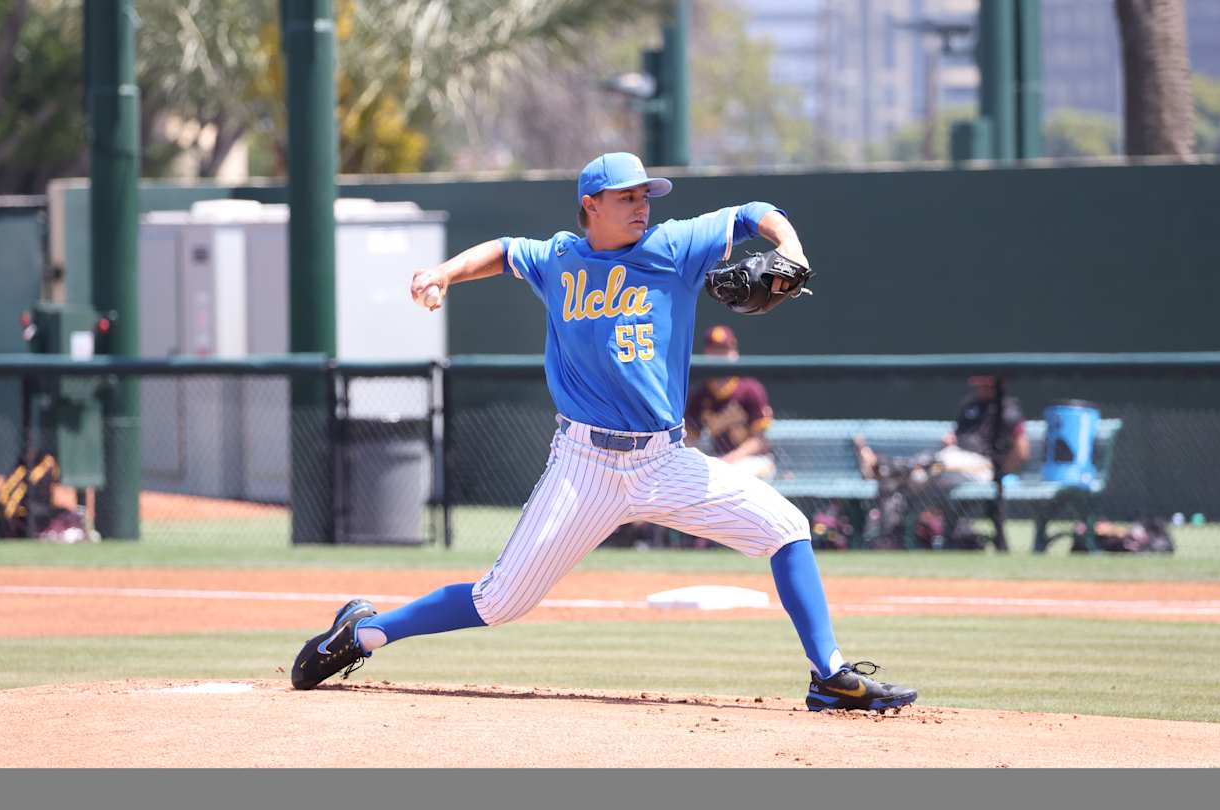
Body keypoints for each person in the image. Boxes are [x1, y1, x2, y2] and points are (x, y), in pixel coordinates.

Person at [290, 152, 917, 713]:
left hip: (666, 461)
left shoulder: (676, 245)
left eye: (646, 195)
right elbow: (506, 249)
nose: (643, 206)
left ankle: (828, 675)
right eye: (628, 197)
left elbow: (760, 212)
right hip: (583, 465)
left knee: (788, 528)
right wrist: (443, 273)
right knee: (499, 602)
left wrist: (794, 249)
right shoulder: (561, 257)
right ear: (591, 205)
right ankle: (364, 632)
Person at [854, 375, 1028, 549]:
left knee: (938, 461)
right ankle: (890, 535)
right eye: (979, 384)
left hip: (982, 467)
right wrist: (952, 441)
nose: (980, 388)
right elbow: (958, 438)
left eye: (985, 384)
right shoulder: (971, 406)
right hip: (952, 465)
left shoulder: (1008, 411)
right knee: (911, 477)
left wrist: (1000, 472)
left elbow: (1022, 452)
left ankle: (883, 465)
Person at [684, 325, 777, 481]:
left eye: (723, 351)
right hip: (719, 461)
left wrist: (727, 461)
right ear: (707, 353)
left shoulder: (750, 389)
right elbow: (689, 438)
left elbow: (759, 441)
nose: (719, 356)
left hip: (754, 460)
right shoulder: (700, 394)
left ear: (734, 352)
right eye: (715, 351)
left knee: (736, 475)